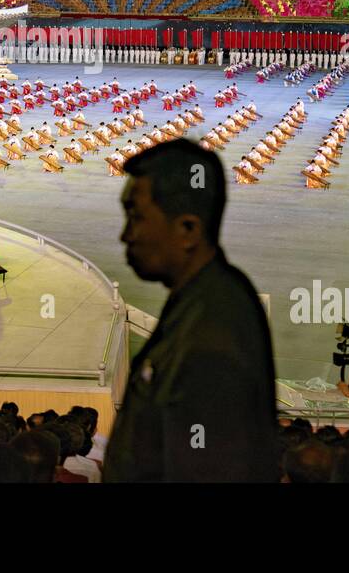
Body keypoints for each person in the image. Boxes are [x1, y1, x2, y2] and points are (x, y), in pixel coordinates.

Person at [105, 138, 279, 482]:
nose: (126, 235)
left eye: (136, 217)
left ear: (188, 229)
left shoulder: (212, 333)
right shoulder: (204, 297)